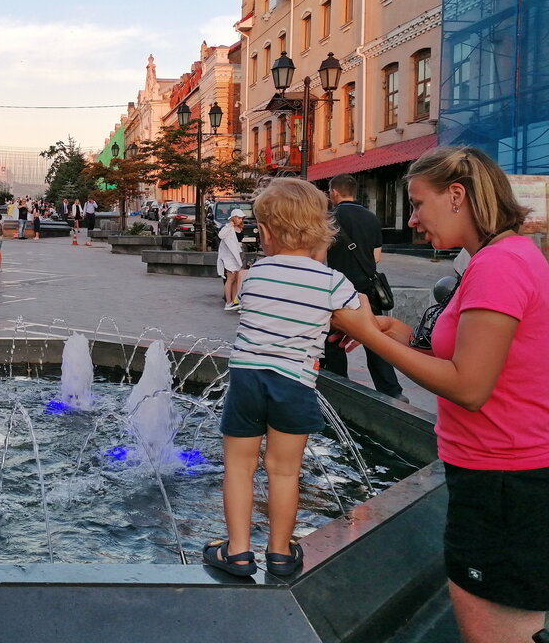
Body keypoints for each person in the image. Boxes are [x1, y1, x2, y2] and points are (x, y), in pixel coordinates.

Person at [331, 147, 549, 643]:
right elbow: (476, 352)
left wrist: (368, 335)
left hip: (504, 481)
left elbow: (469, 386)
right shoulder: (501, 256)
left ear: (457, 195)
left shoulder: (499, 266)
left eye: (417, 203)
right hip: (501, 474)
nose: (411, 221)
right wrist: (401, 334)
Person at [203, 178, 360, 578]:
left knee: (239, 467)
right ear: (321, 232)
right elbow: (357, 321)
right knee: (284, 470)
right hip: (294, 383)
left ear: (267, 232)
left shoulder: (255, 275)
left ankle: (237, 552)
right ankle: (279, 553)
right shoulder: (332, 283)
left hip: (247, 379)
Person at [321, 174, 404, 401]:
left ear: (334, 192)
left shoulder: (329, 218)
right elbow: (377, 257)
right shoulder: (371, 218)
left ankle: (340, 386)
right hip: (366, 288)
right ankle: (391, 390)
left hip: (337, 288)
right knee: (373, 337)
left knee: (334, 339)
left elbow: (320, 255)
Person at [216, 209, 246, 311]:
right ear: (233, 217)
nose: (240, 220)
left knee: (236, 279)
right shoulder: (228, 227)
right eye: (238, 218)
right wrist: (230, 226)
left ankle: (234, 301)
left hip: (238, 255)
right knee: (230, 279)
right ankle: (228, 302)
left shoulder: (240, 227)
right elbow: (221, 235)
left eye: (241, 218)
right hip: (229, 256)